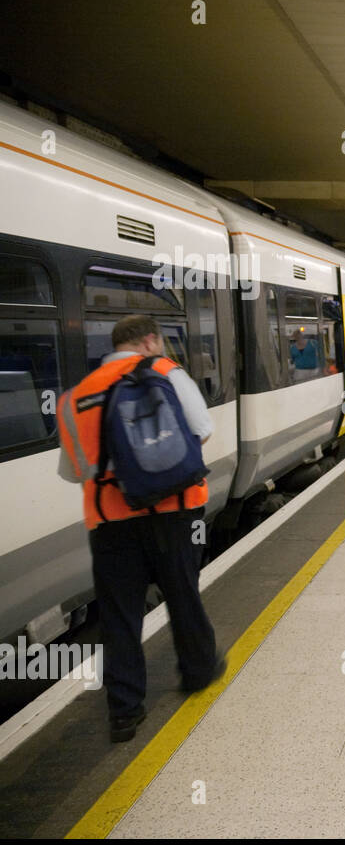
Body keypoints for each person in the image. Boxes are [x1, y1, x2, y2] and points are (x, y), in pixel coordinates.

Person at [56, 315, 223, 743]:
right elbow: (203, 429)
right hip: (175, 511)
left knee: (119, 617)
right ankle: (199, 671)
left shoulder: (74, 397)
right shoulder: (166, 371)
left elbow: (75, 472)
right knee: (182, 594)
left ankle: (125, 712)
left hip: (110, 522)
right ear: (150, 341)